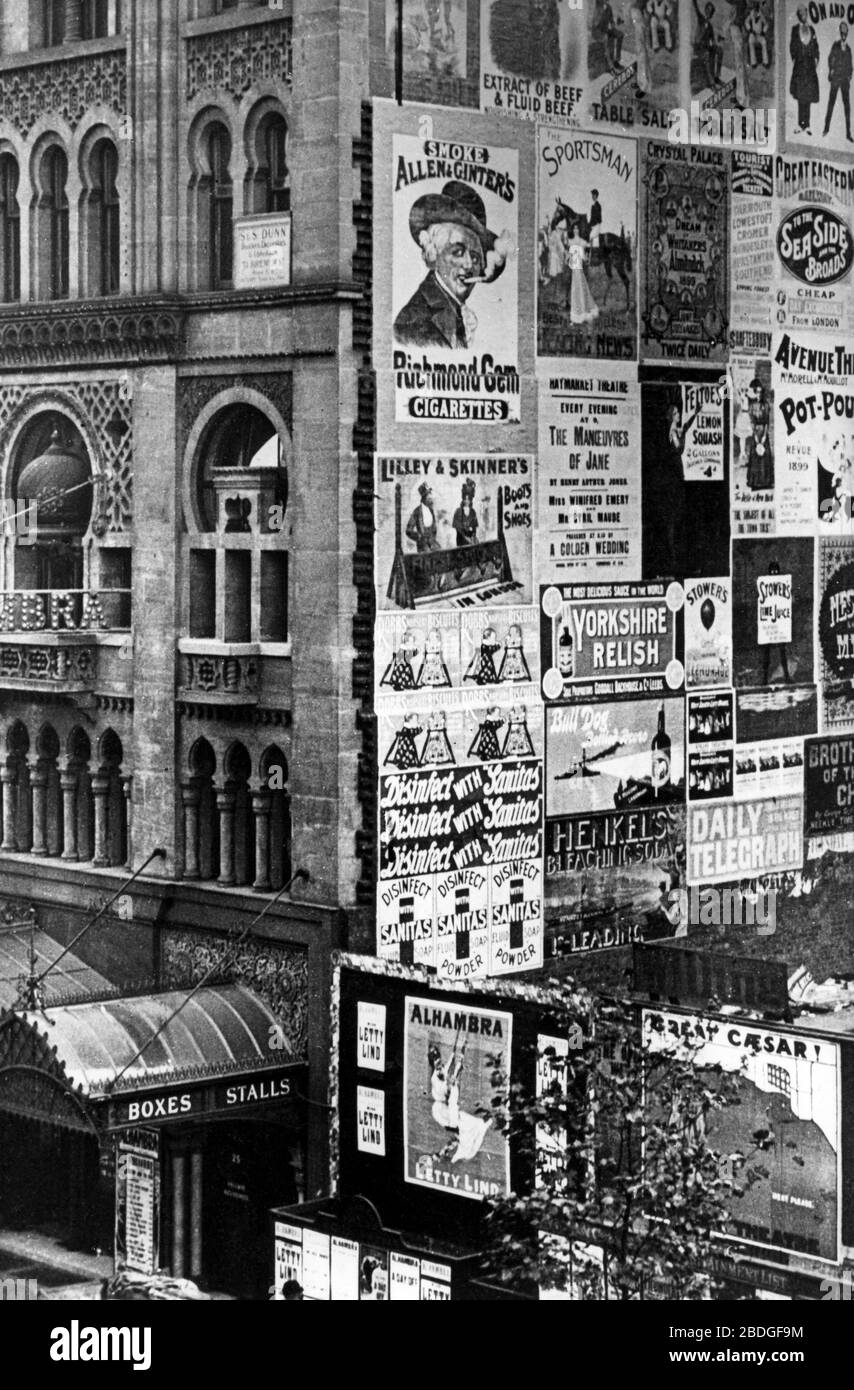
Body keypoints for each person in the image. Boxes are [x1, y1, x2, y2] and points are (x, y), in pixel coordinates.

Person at [393, 180, 510, 349]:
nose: (469, 265)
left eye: (476, 258)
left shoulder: (457, 314)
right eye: (458, 252)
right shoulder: (413, 321)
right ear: (434, 253)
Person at [427, 1040, 493, 1163]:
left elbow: (450, 1065)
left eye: (440, 1063)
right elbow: (449, 1086)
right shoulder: (435, 1080)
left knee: (463, 1126)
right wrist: (456, 1071)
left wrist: (460, 1053)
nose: (441, 1067)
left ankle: (441, 1154)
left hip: (446, 1109)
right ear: (433, 1065)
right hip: (440, 1111)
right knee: (461, 1125)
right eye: (437, 1064)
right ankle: (443, 1153)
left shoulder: (442, 1071)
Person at [789, 5, 820, 135]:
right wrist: (796, 57)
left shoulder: (812, 29)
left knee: (807, 96)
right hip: (800, 67)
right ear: (798, 15)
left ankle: (807, 125)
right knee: (801, 96)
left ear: (806, 14)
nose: (803, 15)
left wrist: (816, 58)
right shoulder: (795, 29)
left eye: (804, 13)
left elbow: (816, 46)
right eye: (800, 13)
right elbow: (792, 46)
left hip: (810, 67)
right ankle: (800, 124)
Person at [824, 21, 853, 141]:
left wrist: (849, 76)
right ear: (840, 33)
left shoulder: (849, 49)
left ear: (847, 33)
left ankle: (848, 134)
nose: (843, 34)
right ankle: (826, 128)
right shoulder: (835, 45)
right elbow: (830, 58)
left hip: (844, 81)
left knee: (847, 107)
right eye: (842, 32)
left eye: (845, 32)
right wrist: (831, 70)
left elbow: (851, 65)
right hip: (836, 79)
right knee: (831, 104)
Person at [566, 222, 599, 326]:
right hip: (574, 271)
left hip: (578, 271)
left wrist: (586, 255)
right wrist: (568, 259)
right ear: (573, 230)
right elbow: (569, 258)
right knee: (576, 290)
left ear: (579, 230)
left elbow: (584, 258)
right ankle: (577, 313)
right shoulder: (571, 242)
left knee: (580, 290)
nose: (576, 230)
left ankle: (581, 313)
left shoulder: (581, 243)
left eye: (577, 229)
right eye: (574, 229)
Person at [724, 0, 749, 106]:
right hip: (736, 31)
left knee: (739, 65)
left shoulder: (740, 2)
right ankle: (741, 96)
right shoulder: (740, 3)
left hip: (737, 31)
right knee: (739, 65)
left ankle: (742, 98)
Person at [693, 0, 723, 87]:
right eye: (708, 10)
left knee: (719, 50)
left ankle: (717, 76)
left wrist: (714, 45)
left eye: (711, 12)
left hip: (705, 47)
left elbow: (712, 39)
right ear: (705, 10)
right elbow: (696, 8)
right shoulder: (701, 19)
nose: (709, 13)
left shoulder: (710, 26)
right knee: (707, 55)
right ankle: (711, 83)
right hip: (698, 48)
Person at [746, 0, 769, 68]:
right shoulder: (751, 13)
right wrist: (750, 29)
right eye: (754, 7)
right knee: (750, 42)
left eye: (757, 7)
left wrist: (763, 31)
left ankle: (765, 62)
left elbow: (766, 24)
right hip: (753, 34)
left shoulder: (761, 15)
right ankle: (753, 63)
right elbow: (746, 22)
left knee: (764, 42)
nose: (755, 9)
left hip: (759, 34)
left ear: (758, 8)